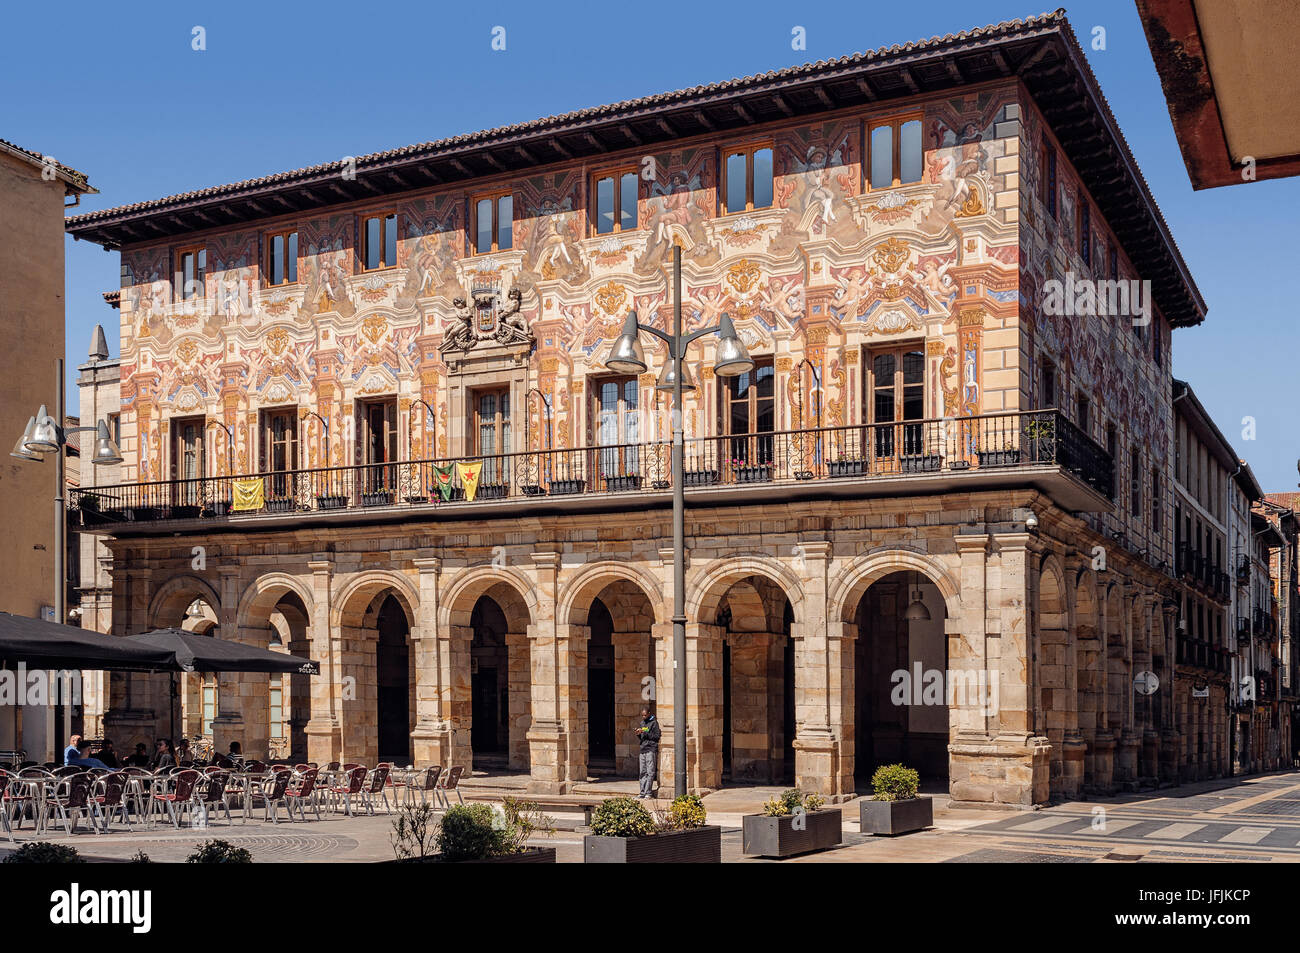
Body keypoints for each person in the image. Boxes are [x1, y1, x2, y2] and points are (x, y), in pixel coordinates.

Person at [635, 707, 661, 799]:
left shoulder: (654, 723)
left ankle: (648, 793)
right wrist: (639, 734)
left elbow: (657, 736)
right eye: (642, 715)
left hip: (651, 749)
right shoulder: (642, 723)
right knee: (642, 772)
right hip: (643, 749)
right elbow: (643, 737)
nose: (643, 717)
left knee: (650, 772)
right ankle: (642, 792)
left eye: (645, 715)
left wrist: (645, 733)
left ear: (649, 713)